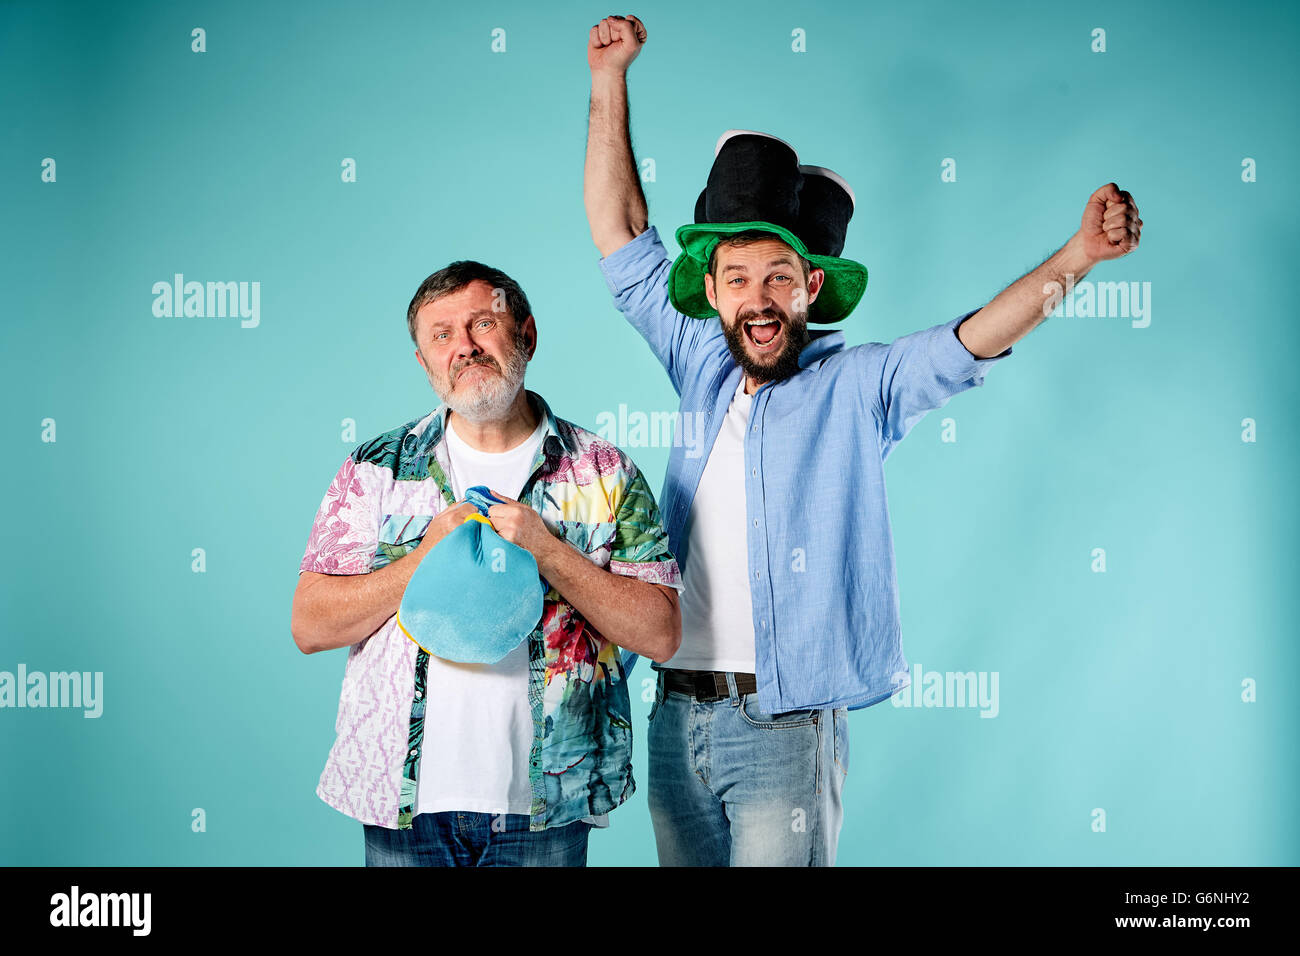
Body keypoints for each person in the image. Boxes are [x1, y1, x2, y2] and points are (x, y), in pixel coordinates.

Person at [583, 13, 1141, 866]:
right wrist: (610, 78)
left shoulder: (861, 386)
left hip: (785, 726)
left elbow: (975, 336)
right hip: (675, 717)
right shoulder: (699, 357)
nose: (758, 298)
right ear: (715, 292)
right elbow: (622, 234)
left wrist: (1078, 255)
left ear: (812, 286)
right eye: (737, 279)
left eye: (778, 277)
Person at [290, 259, 684, 866]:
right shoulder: (378, 468)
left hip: (547, 807)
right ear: (424, 363)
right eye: (442, 335)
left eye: (482, 324)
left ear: (526, 334)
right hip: (405, 805)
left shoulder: (604, 471)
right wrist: (420, 559)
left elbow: (660, 634)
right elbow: (311, 626)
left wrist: (548, 551)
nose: (465, 348)